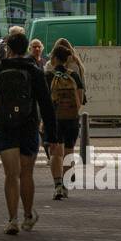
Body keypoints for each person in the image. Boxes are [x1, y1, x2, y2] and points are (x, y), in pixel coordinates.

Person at [0, 31, 55, 234]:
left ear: (8, 49)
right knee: (27, 173)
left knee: (10, 175)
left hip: (5, 128)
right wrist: (51, 133)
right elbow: (46, 105)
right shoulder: (34, 71)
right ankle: (28, 216)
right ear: (26, 49)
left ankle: (12, 219)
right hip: (28, 126)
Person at [44, 45, 87, 200]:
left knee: (56, 152)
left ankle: (57, 186)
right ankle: (66, 186)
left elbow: (43, 101)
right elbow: (80, 100)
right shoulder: (74, 76)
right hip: (71, 118)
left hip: (54, 119)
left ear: (54, 59)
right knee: (69, 152)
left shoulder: (48, 76)